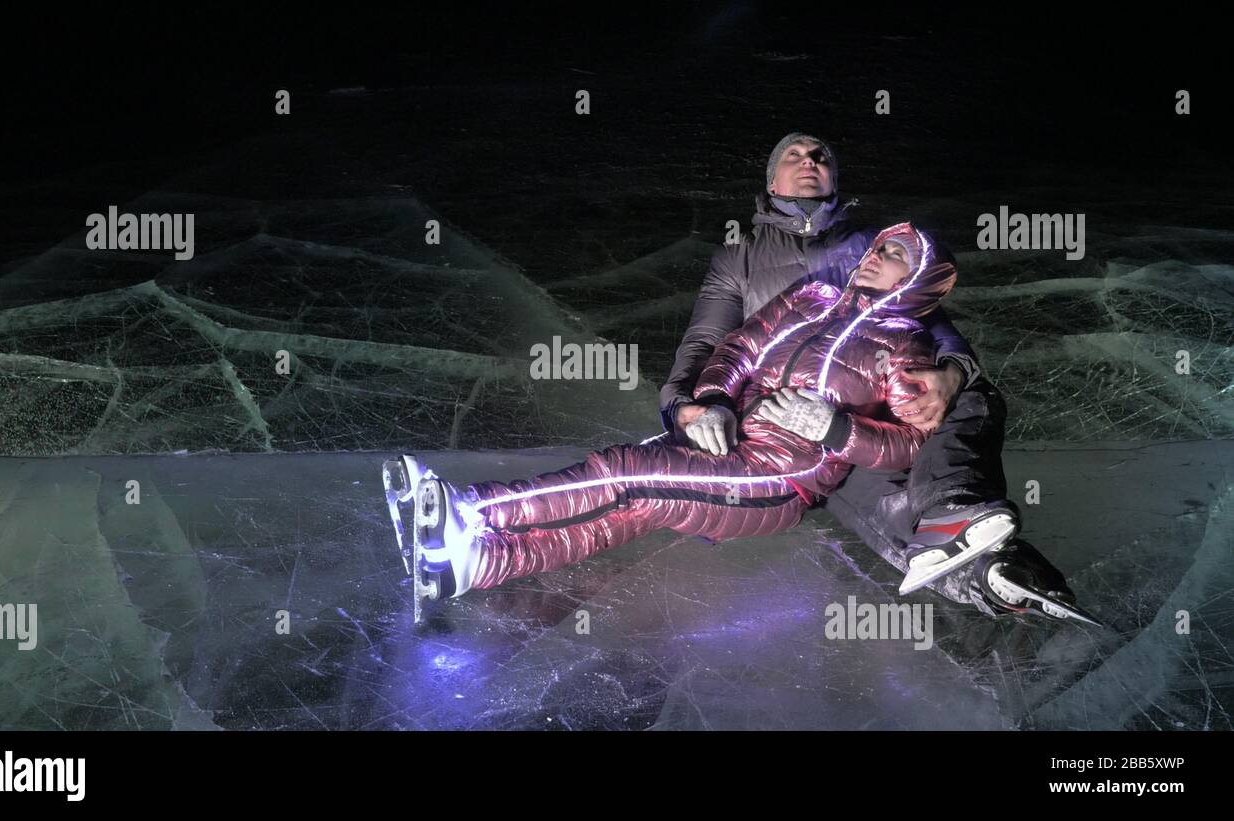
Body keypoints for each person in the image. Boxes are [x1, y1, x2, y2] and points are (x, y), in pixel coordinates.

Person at [384, 224, 1078, 621]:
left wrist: (835, 431)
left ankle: (467, 511)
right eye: (878, 244)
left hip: (785, 477)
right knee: (636, 503)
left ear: (927, 275)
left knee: (629, 472)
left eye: (897, 251)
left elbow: (910, 438)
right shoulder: (809, 294)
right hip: (732, 439)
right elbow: (735, 349)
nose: (876, 253)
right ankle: (474, 561)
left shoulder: (908, 347)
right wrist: (711, 399)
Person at [660, 132, 1080, 618]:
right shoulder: (738, 258)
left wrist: (953, 370)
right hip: (783, 418)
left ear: (834, 178)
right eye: (792, 156)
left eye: (820, 157)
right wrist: (681, 404)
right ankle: (976, 566)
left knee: (970, 397)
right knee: (871, 490)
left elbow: (930, 320)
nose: (808, 162)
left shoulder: (870, 247)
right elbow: (706, 341)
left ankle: (981, 547)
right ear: (772, 180)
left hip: (864, 402)